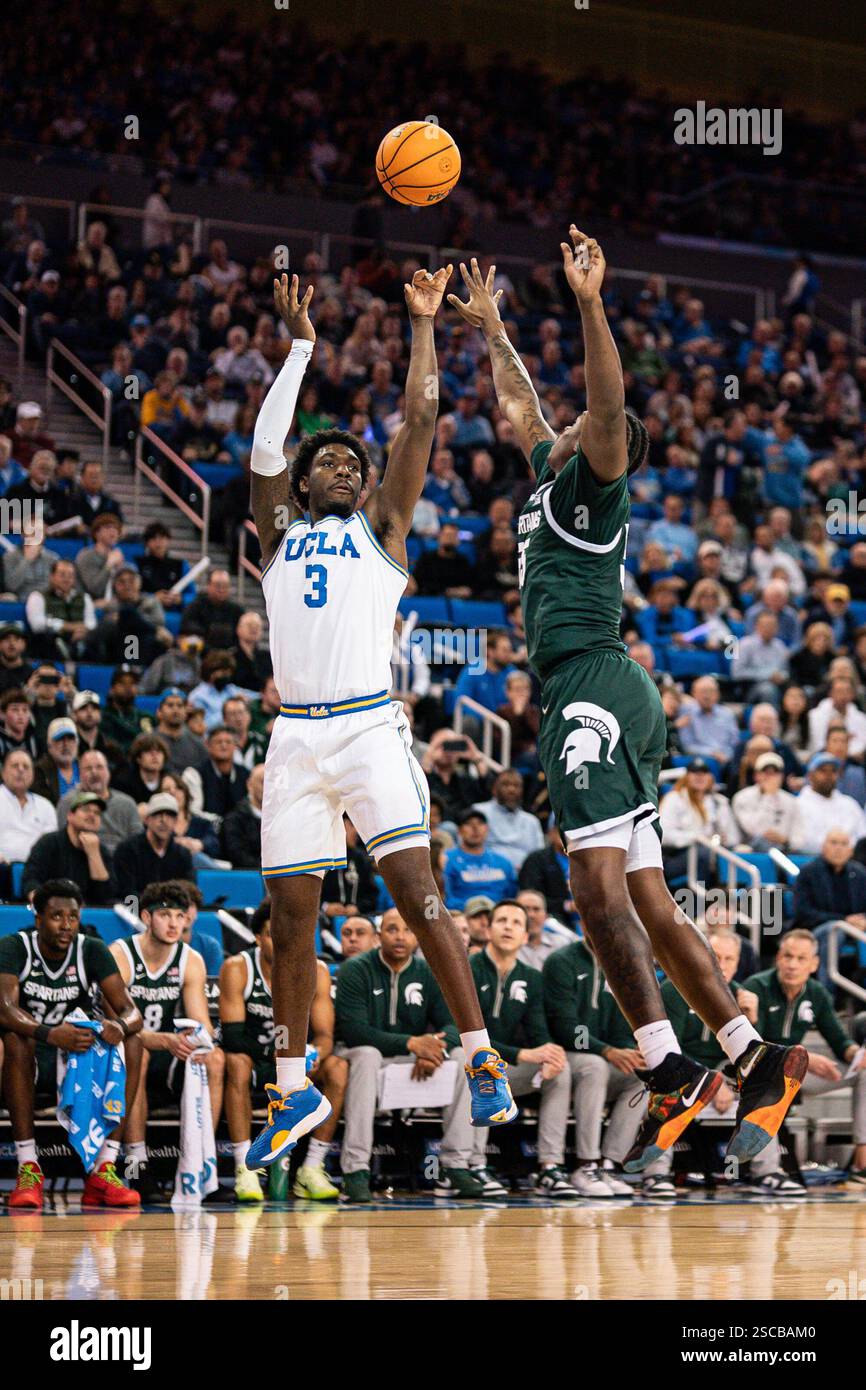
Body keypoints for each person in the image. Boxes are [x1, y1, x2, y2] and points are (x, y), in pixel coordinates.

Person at [456, 234, 805, 1174]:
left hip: (590, 686)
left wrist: (591, 304)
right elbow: (519, 399)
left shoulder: (593, 486)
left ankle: (665, 1066)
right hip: (607, 689)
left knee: (590, 885)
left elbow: (603, 402)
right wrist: (492, 326)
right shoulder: (545, 477)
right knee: (648, 897)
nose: (567, 423)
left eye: (584, 426)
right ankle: (751, 1054)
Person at [245, 269, 514, 1168]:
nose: (346, 469)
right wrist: (298, 351)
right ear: (307, 479)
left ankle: (480, 1059)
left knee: (419, 892)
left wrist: (424, 323)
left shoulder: (384, 530)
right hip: (294, 734)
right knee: (289, 919)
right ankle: (288, 1091)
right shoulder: (279, 529)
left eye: (353, 466)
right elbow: (264, 446)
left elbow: (422, 419)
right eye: (331, 461)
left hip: (366, 727)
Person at [0, 879, 143, 1208]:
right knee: (14, 1038)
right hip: (34, 1049)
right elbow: (4, 1010)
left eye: (72, 917)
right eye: (56, 916)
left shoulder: (90, 947)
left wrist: (118, 1025)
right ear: (38, 920)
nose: (66, 925)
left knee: (134, 1044)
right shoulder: (14, 947)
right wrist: (50, 1033)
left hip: (77, 1054)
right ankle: (28, 1168)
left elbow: (130, 1011)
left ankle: (104, 1169)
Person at [335, 907, 480, 1201]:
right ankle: (355, 1169)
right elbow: (354, 1031)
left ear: (418, 937)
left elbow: (454, 1024)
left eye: (408, 929)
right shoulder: (355, 969)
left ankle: (455, 1166)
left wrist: (433, 1049)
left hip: (411, 1061)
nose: (400, 937)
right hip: (360, 1059)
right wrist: (413, 1044)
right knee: (366, 1054)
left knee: (464, 1060)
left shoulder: (429, 972)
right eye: (392, 929)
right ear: (378, 937)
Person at [444, 899, 574, 1199]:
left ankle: (549, 1168)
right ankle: (466, 1163)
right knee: (471, 1059)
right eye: (501, 921)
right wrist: (520, 1055)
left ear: (527, 937)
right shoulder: (466, 969)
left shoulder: (532, 978)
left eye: (517, 923)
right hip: (460, 1066)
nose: (508, 927)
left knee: (559, 1073)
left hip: (505, 1069)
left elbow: (539, 1033)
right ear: (488, 929)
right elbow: (453, 1031)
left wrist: (549, 1055)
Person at [220, 900, 347, 1202]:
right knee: (235, 1062)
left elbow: (326, 1035)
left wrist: (314, 1053)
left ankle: (312, 1168)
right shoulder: (237, 968)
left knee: (338, 1067)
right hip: (257, 1060)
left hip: (297, 1064)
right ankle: (245, 1168)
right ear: (258, 938)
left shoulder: (316, 969)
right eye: (272, 934)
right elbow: (233, 1036)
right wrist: (285, 1059)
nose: (282, 940)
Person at [110, 880, 223, 1199]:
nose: (174, 923)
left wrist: (202, 1041)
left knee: (214, 1058)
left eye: (180, 915)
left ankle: (202, 1165)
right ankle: (137, 1164)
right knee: (136, 1052)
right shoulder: (121, 954)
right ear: (146, 917)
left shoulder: (191, 959)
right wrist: (159, 1040)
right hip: (122, 1049)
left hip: (167, 1050)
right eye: (165, 915)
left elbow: (202, 1020)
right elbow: (117, 1024)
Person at [741, 932, 866, 1187]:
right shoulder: (757, 986)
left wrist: (856, 1053)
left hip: (797, 1071)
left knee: (864, 1072)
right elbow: (756, 1048)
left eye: (801, 958)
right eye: (788, 956)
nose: (793, 964)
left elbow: (838, 1039)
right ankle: (767, 1172)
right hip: (760, 1069)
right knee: (767, 1080)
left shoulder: (817, 993)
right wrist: (803, 1057)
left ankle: (862, 1161)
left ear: (814, 964)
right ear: (777, 958)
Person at [644, 931, 754, 1197]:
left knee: (761, 1087)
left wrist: (751, 1021)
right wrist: (713, 1082)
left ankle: (769, 1172)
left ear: (738, 964)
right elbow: (672, 1052)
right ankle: (656, 1174)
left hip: (719, 1074)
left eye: (730, 959)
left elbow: (744, 1057)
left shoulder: (741, 996)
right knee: (668, 1089)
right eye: (716, 957)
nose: (723, 964)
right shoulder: (675, 989)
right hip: (678, 1069)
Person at [542, 927, 645, 1197]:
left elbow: (623, 1028)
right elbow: (566, 1028)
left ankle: (610, 1164)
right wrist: (608, 1051)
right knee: (594, 1065)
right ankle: (585, 1164)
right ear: (584, 923)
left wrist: (627, 1051)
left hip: (600, 1057)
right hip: (564, 1056)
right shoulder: (561, 961)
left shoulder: (621, 965)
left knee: (642, 1075)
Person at [791, 830, 866, 990]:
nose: (838, 848)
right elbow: (803, 912)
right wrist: (843, 920)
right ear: (823, 847)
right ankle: (826, 995)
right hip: (814, 930)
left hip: (854, 930)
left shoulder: (859, 874)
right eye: (834, 843)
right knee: (835, 931)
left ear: (851, 851)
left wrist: (862, 921)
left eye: (844, 844)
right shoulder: (808, 872)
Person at [57, 748, 140, 854]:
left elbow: (138, 844)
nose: (94, 772)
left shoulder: (127, 804)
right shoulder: (68, 802)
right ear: (80, 774)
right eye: (88, 768)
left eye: (99, 767)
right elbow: (62, 842)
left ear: (108, 772)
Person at [112, 791, 196, 898]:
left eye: (169, 815)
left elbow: (189, 893)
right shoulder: (127, 850)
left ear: (175, 822)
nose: (164, 820)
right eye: (158, 814)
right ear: (147, 820)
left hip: (171, 912)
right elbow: (126, 894)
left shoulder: (183, 854)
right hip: (135, 912)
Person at [790, 754, 866, 855]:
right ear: (810, 775)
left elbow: (862, 836)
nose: (828, 775)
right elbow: (801, 843)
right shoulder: (798, 804)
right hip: (811, 861)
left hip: (850, 862)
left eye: (833, 771)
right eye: (823, 771)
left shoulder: (850, 804)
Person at [442, 808, 518, 909]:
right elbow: (446, 897)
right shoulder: (447, 860)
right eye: (468, 824)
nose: (475, 828)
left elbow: (512, 896)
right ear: (459, 831)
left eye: (480, 823)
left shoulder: (503, 862)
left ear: (487, 829)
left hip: (498, 916)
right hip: (461, 917)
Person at [470, 768, 544, 873]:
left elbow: (539, 857)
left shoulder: (531, 821)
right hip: (487, 872)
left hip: (525, 875)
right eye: (505, 784)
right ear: (494, 789)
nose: (511, 790)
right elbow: (469, 848)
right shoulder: (479, 812)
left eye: (516, 785)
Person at [0, 749, 57, 879]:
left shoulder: (45, 806)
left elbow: (50, 848)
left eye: (26, 767)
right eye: (15, 766)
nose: (21, 770)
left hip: (36, 872)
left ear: (33, 774)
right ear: (3, 772)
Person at [732, 751, 798, 851]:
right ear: (756, 775)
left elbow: (799, 835)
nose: (770, 777)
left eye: (775, 772)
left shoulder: (791, 801)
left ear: (782, 776)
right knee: (762, 842)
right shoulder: (742, 797)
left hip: (785, 849)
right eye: (766, 772)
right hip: (752, 849)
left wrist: (785, 840)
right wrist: (768, 796)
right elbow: (752, 829)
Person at [151, 687, 207, 775]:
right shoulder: (148, 741)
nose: (175, 710)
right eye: (170, 705)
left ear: (185, 712)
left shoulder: (197, 743)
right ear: (159, 712)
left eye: (180, 706)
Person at [515, 887, 574, 969]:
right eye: (525, 909)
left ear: (546, 916)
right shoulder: (505, 946)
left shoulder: (562, 944)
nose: (531, 915)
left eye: (536, 909)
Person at [220, 762, 265, 868]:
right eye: (263, 782)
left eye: (272, 782)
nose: (268, 787)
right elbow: (238, 856)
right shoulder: (234, 820)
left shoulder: (283, 818)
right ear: (249, 785)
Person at [199, 723, 249, 817]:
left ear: (235, 746)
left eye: (228, 742)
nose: (224, 746)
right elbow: (195, 811)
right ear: (208, 745)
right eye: (218, 742)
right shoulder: (197, 774)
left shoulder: (246, 775)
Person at [31, 716, 80, 804]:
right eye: (60, 739)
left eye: (70, 739)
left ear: (77, 743)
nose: (66, 744)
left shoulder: (86, 767)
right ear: (49, 745)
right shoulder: (39, 772)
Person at [0, 686, 39, 762]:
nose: (20, 715)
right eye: (15, 709)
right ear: (3, 714)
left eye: (25, 710)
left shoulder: (35, 740)